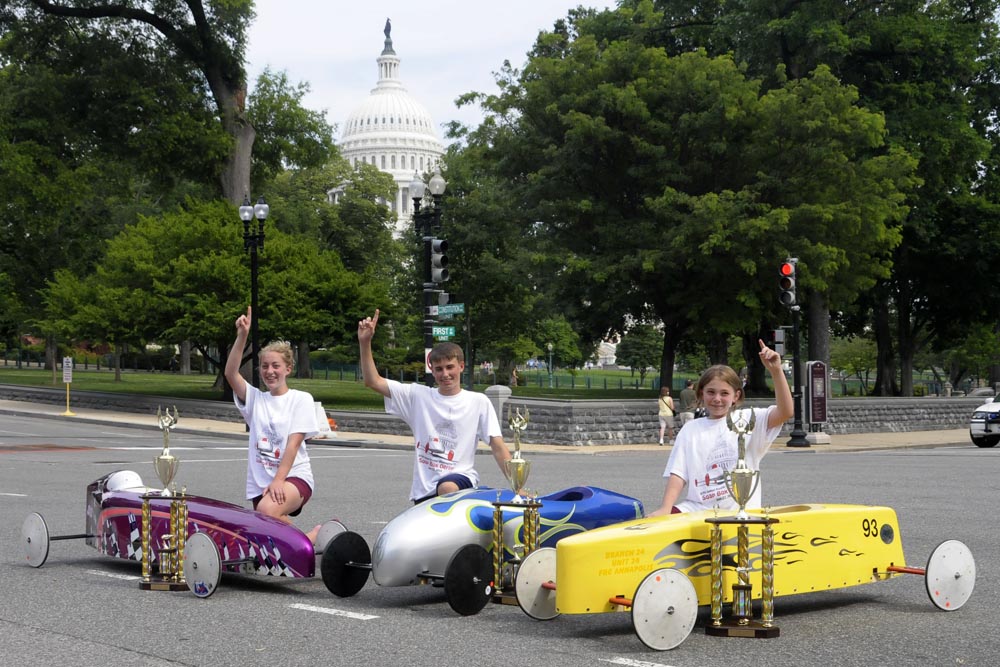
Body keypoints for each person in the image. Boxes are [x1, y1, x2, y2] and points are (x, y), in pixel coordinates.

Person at [358, 309, 513, 503]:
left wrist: (518, 486)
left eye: (450, 367)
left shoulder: (478, 401)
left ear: (461, 367)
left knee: (446, 487)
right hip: (424, 491)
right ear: (431, 369)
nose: (445, 374)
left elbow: (497, 446)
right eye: (439, 369)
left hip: (459, 482)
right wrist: (365, 343)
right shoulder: (418, 396)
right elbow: (373, 381)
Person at [647, 340, 793, 516]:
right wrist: (665, 508)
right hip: (698, 510)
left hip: (740, 512)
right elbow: (678, 473)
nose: (717, 398)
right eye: (711, 392)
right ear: (701, 393)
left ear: (735, 395)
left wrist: (776, 371)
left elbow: (785, 412)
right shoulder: (690, 429)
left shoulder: (748, 419)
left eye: (724, 393)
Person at [225, 306, 320, 542]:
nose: (270, 371)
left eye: (276, 366)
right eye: (265, 366)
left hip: (293, 478)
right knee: (267, 528)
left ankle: (309, 539)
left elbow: (294, 443)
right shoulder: (256, 399)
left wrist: (279, 480)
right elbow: (230, 373)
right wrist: (242, 337)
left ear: (288, 369)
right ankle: (315, 537)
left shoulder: (301, 399)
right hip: (261, 485)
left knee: (267, 511)